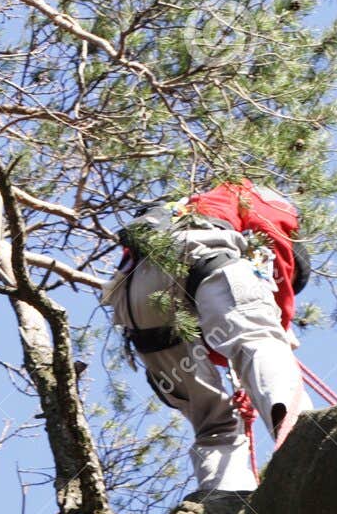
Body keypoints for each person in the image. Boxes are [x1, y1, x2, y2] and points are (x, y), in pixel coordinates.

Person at [101, 178, 311, 494]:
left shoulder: (178, 207)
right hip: (199, 251)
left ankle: (222, 500)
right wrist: (279, 321)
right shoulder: (247, 190)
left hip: (135, 299)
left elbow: (212, 336)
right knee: (260, 340)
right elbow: (276, 240)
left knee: (213, 424)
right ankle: (311, 437)